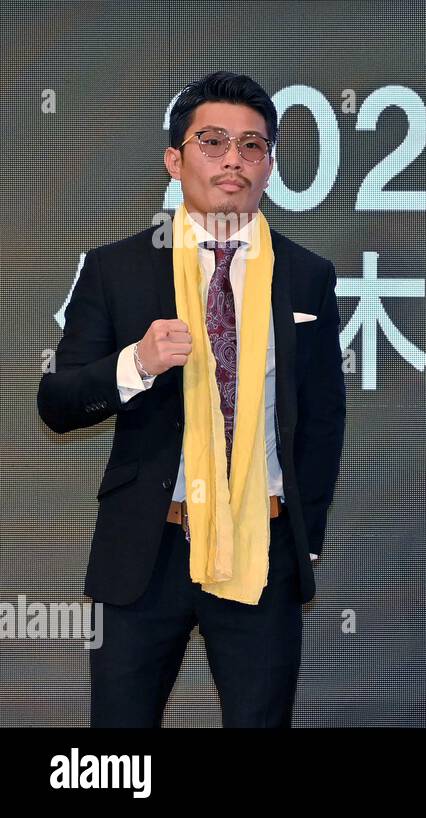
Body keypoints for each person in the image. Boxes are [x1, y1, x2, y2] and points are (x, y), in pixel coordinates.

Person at [37, 71, 346, 727]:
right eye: (213, 142)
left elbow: (322, 419)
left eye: (252, 146)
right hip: (146, 552)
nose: (233, 160)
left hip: (261, 550)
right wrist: (136, 363)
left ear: (269, 164)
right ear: (175, 160)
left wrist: (303, 538)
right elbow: (58, 402)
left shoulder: (306, 274)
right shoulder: (116, 268)